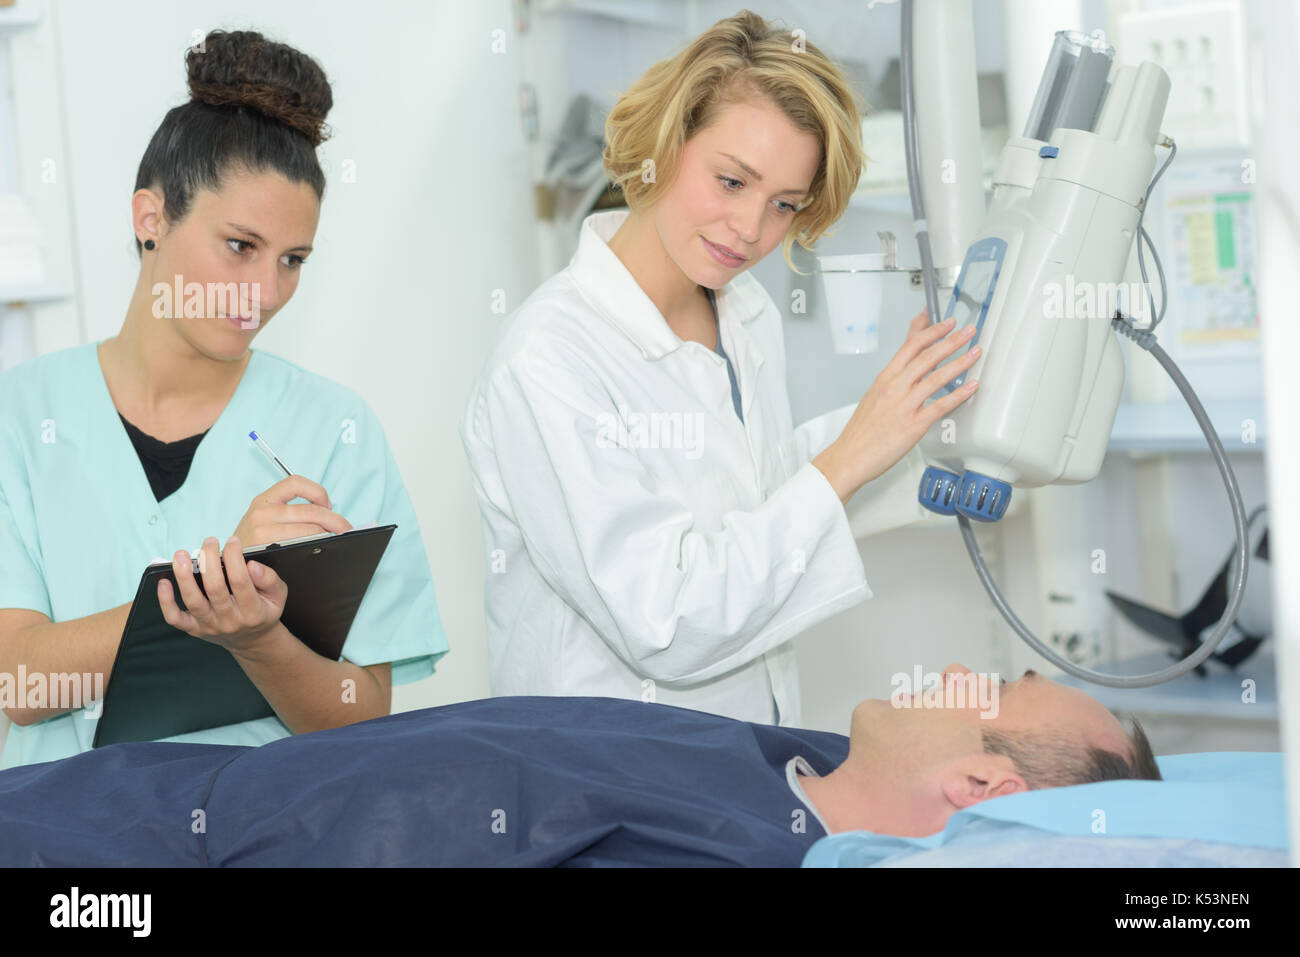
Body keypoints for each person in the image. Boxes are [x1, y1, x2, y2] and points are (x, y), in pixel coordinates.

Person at [460, 10, 980, 725]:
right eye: (732, 181)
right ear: (666, 144)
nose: (751, 229)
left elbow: (757, 495)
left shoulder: (743, 313)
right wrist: (854, 453)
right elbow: (664, 618)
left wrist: (915, 438)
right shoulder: (549, 356)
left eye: (784, 205)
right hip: (612, 770)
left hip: (739, 744)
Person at [0, 30, 447, 769]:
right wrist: (207, 588)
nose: (266, 294)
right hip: (72, 839)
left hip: (269, 827)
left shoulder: (336, 428)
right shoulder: (21, 414)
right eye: (240, 245)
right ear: (152, 219)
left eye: (292, 260)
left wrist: (258, 636)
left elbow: (360, 713)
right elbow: (20, 679)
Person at [0, 663, 1159, 867]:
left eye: (987, 691)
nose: (953, 666)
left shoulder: (744, 851)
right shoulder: (788, 763)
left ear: (983, 786)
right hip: (138, 791)